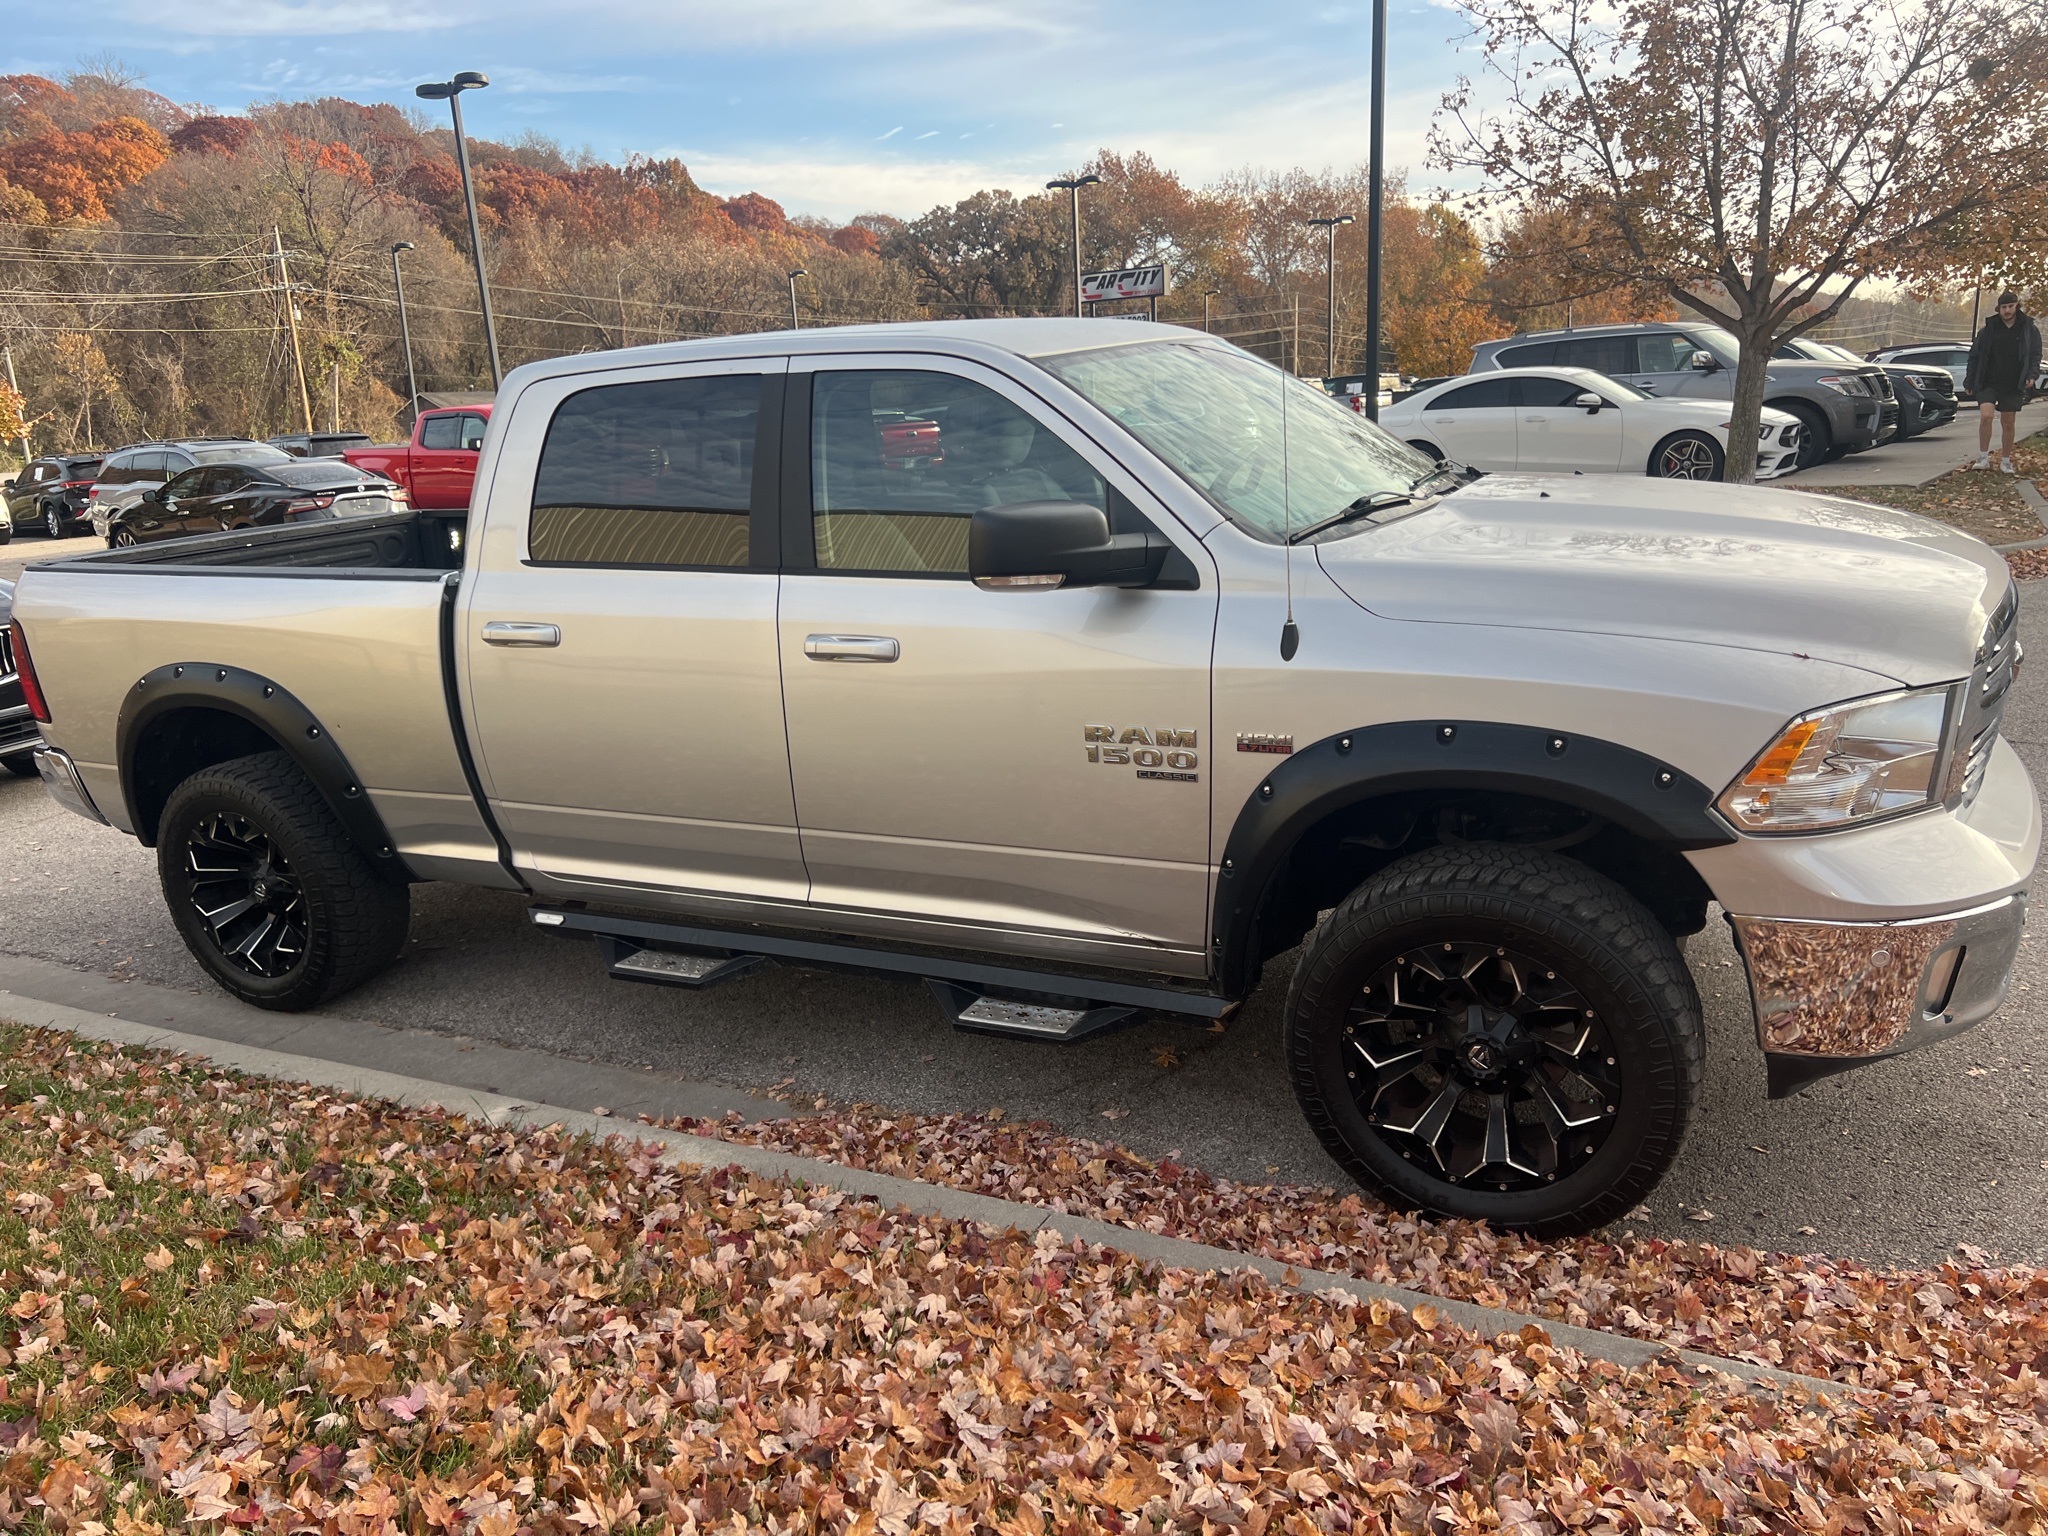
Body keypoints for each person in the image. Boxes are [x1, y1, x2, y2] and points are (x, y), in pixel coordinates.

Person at [1966, 290, 2042, 473]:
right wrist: (1970, 380)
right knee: (1986, 416)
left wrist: (2032, 374)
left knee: (2008, 422)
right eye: (2003, 307)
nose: (2007, 310)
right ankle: (1983, 457)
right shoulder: (1988, 330)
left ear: (2017, 306)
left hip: (2013, 382)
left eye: (2010, 306)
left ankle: (2006, 461)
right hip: (1988, 381)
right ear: (1998, 309)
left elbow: (2035, 355)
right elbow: (1974, 356)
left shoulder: (2028, 329)